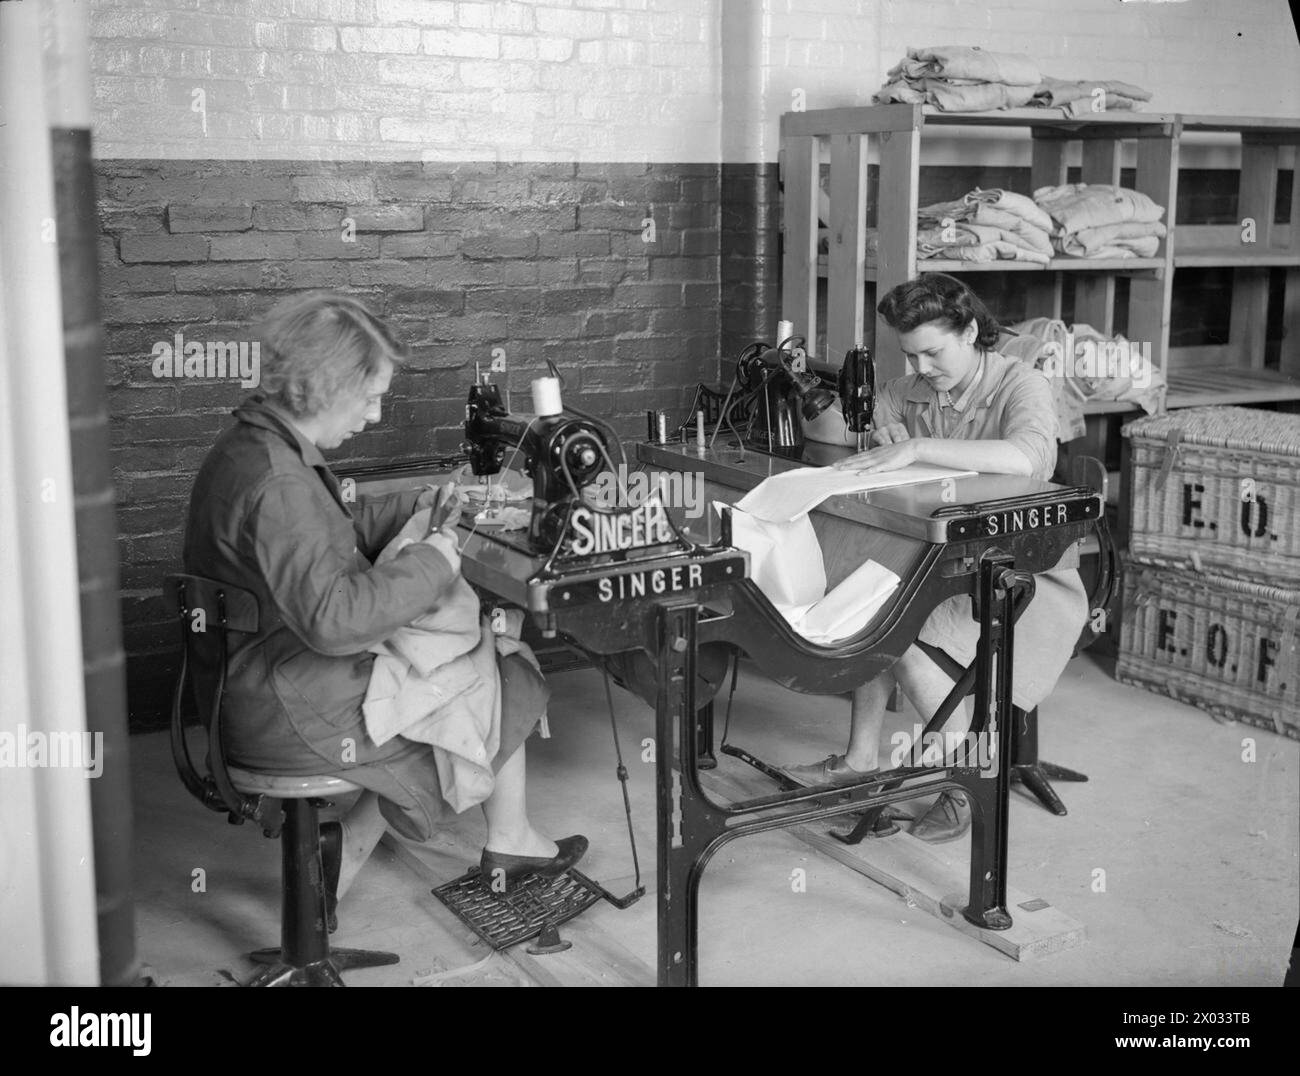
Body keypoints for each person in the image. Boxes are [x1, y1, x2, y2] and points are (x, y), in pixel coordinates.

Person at [183, 292, 585, 910]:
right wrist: (435, 560)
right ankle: (510, 840)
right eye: (370, 398)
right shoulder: (280, 483)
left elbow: (330, 527)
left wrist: (421, 503)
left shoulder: (254, 447)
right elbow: (336, 622)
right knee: (500, 656)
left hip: (250, 683)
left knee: (461, 659)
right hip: (291, 708)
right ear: (326, 385)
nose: (373, 417)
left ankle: (343, 859)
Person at [782, 274, 1089, 842]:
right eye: (910, 353)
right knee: (865, 598)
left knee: (891, 619)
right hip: (944, 560)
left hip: (1024, 573)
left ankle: (966, 774)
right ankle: (862, 759)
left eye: (933, 351)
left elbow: (1028, 458)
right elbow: (849, 434)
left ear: (971, 331)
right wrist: (816, 393)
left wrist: (918, 446)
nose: (921, 366)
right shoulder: (908, 390)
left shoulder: (1023, 384)